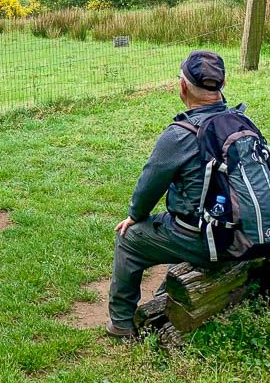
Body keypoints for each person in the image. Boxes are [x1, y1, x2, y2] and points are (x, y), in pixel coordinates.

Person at [106, 50, 230, 339]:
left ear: (183, 86)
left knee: (129, 240)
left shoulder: (180, 134)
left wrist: (135, 216)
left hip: (211, 241)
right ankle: (165, 293)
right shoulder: (239, 120)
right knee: (186, 219)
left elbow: (149, 185)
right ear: (222, 86)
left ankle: (121, 324)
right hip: (245, 231)